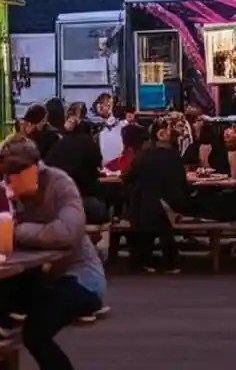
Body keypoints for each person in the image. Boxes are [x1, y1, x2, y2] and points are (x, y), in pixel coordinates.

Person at [0, 137, 106, 370]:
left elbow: (68, 231)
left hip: (80, 277)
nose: (8, 179)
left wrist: (16, 230)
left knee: (35, 333)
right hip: (34, 275)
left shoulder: (59, 183)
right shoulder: (1, 188)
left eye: (13, 172)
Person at [123, 116, 189, 273]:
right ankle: (170, 261)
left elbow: (127, 179)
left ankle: (142, 260)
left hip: (143, 211)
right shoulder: (175, 158)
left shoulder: (142, 156)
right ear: (161, 134)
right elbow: (182, 184)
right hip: (170, 209)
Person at [43, 104, 108, 224]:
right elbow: (98, 166)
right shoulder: (89, 144)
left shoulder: (59, 145)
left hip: (58, 203)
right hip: (83, 200)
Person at [90, 93, 125, 165]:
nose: (100, 106)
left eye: (107, 104)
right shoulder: (96, 128)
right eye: (100, 104)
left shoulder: (121, 126)